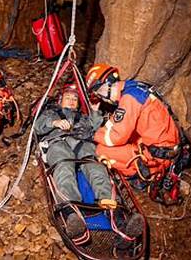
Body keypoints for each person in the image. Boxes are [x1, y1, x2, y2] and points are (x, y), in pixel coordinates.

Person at [34, 84, 143, 242]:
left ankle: (117, 216)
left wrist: (95, 112)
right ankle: (71, 213)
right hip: (57, 142)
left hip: (81, 143)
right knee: (64, 165)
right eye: (68, 98)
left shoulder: (82, 118)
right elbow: (37, 127)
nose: (72, 101)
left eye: (75, 99)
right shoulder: (50, 113)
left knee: (96, 167)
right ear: (60, 100)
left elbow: (96, 128)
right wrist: (55, 123)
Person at [86, 63, 187, 190]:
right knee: (126, 138)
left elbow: (115, 137)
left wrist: (93, 135)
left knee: (101, 150)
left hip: (159, 156)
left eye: (99, 92)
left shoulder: (129, 99)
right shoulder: (134, 87)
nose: (101, 98)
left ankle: (144, 175)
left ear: (108, 84)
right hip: (166, 144)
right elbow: (121, 123)